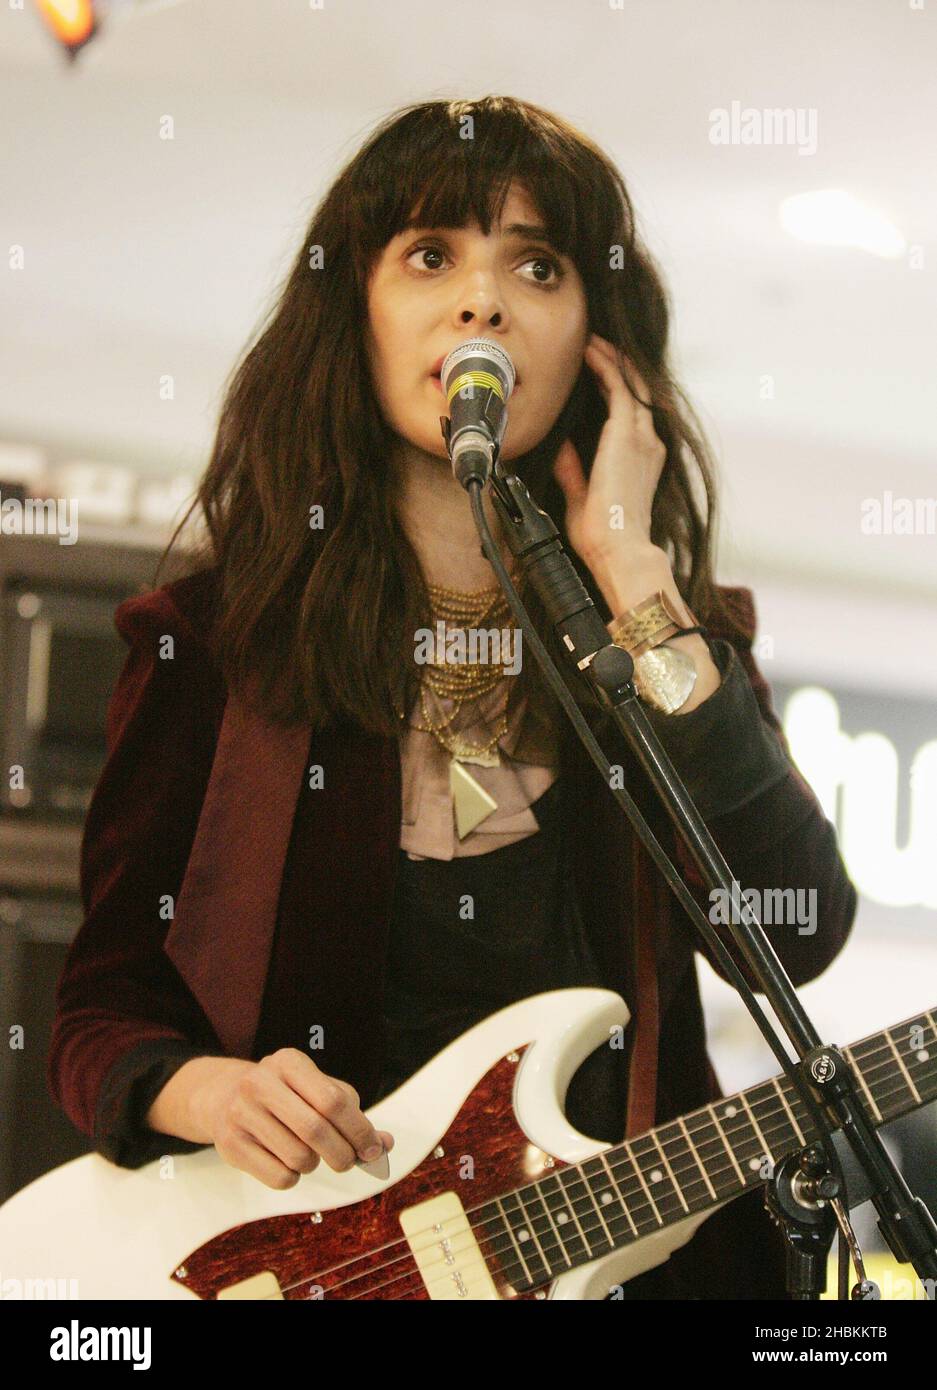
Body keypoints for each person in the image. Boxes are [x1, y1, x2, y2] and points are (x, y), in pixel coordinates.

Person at [48, 95, 857, 1299]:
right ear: (354, 317)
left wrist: (635, 576)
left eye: (536, 265)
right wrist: (214, 1091)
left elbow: (794, 931)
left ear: (597, 343)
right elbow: (101, 1011)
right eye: (431, 255)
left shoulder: (665, 640)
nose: (482, 300)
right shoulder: (210, 645)